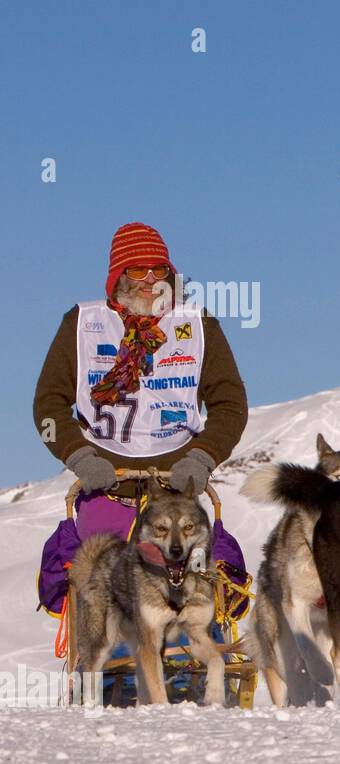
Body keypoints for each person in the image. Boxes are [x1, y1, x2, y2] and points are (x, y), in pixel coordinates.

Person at [33, 223, 251, 686]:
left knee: (197, 571)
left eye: (159, 271)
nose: (150, 281)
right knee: (104, 577)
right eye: (138, 270)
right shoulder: (84, 324)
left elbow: (230, 402)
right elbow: (49, 404)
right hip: (107, 482)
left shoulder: (196, 325)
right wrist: (79, 457)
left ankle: (196, 666)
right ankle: (105, 673)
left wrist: (202, 457)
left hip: (177, 484)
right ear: (117, 277)